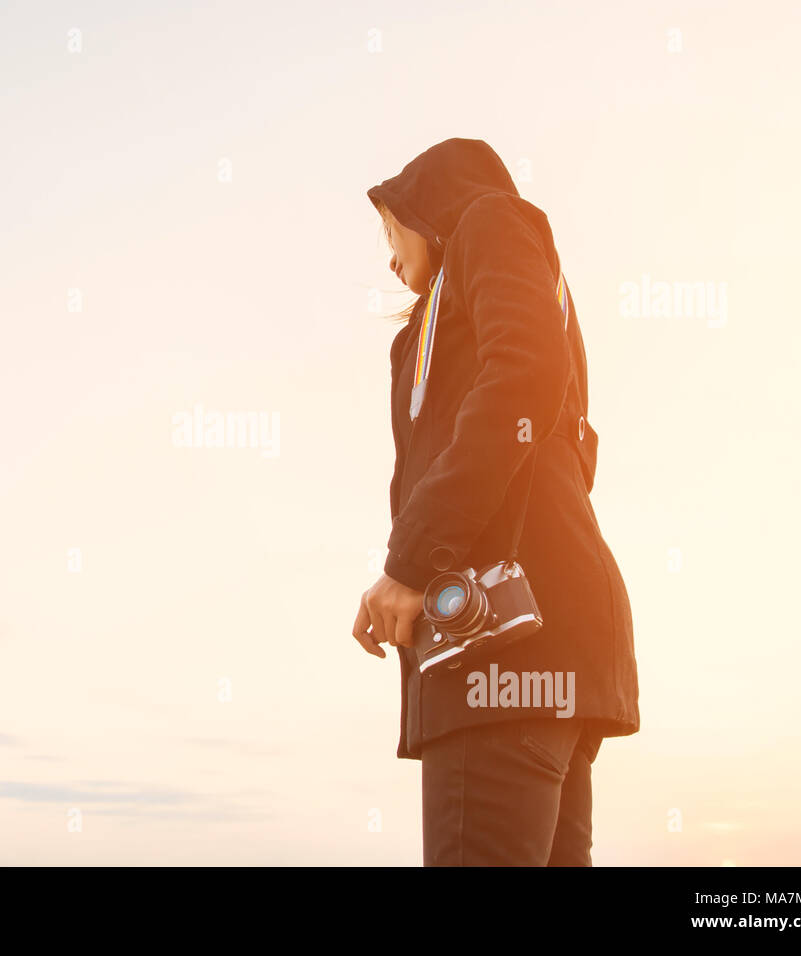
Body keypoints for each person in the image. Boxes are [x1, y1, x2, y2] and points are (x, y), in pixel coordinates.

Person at [352, 138, 640, 866]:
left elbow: (521, 376)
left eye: (390, 232)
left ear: (428, 208)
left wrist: (412, 563)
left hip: (500, 658)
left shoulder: (488, 221)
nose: (389, 261)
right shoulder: (503, 285)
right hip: (544, 654)